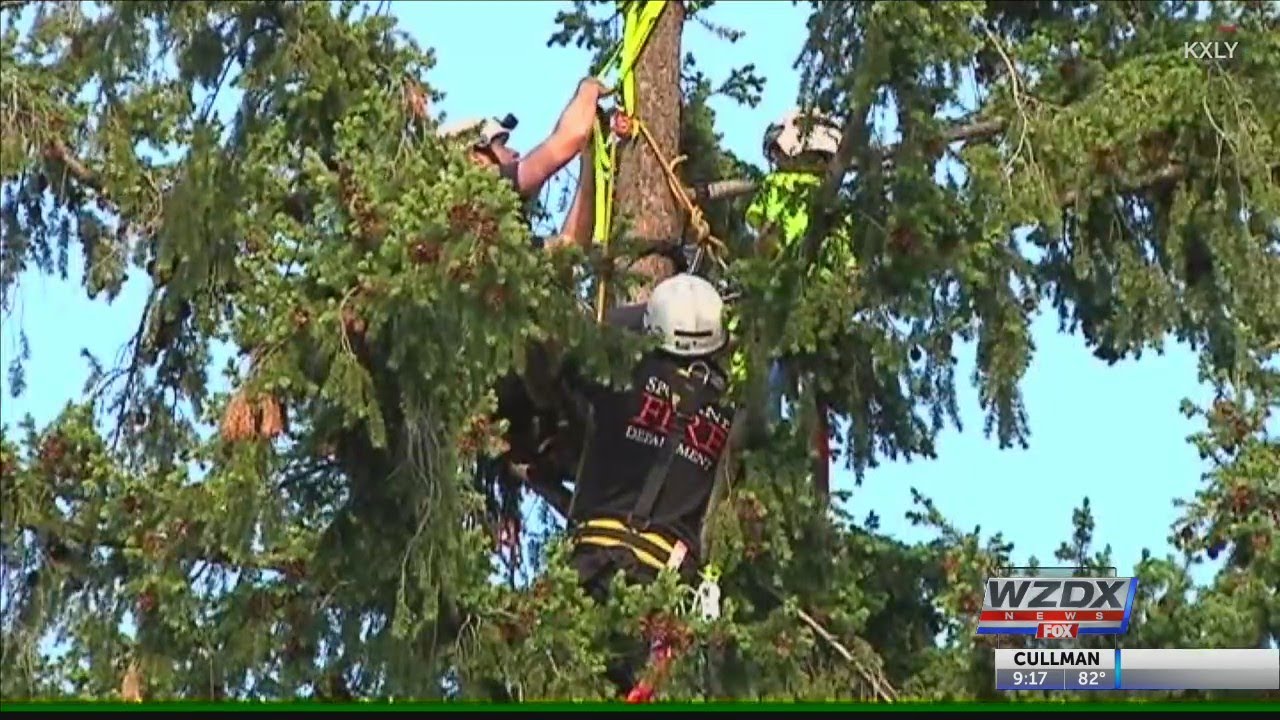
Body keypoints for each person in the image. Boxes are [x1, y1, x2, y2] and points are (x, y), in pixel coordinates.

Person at [554, 273, 736, 696]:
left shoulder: (623, 373)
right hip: (661, 591)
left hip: (588, 567)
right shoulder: (730, 413)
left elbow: (566, 364)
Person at [745, 108, 850, 498]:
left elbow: (765, 241)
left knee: (771, 391)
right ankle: (814, 496)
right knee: (814, 410)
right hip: (819, 314)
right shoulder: (835, 202)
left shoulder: (779, 190)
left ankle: (766, 474)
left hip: (782, 310)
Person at [436, 76, 607, 251]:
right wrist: (587, 89)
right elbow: (572, 135)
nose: (514, 152)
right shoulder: (492, 189)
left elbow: (571, 246)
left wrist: (588, 158)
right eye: (501, 147)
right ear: (477, 160)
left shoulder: (494, 237)